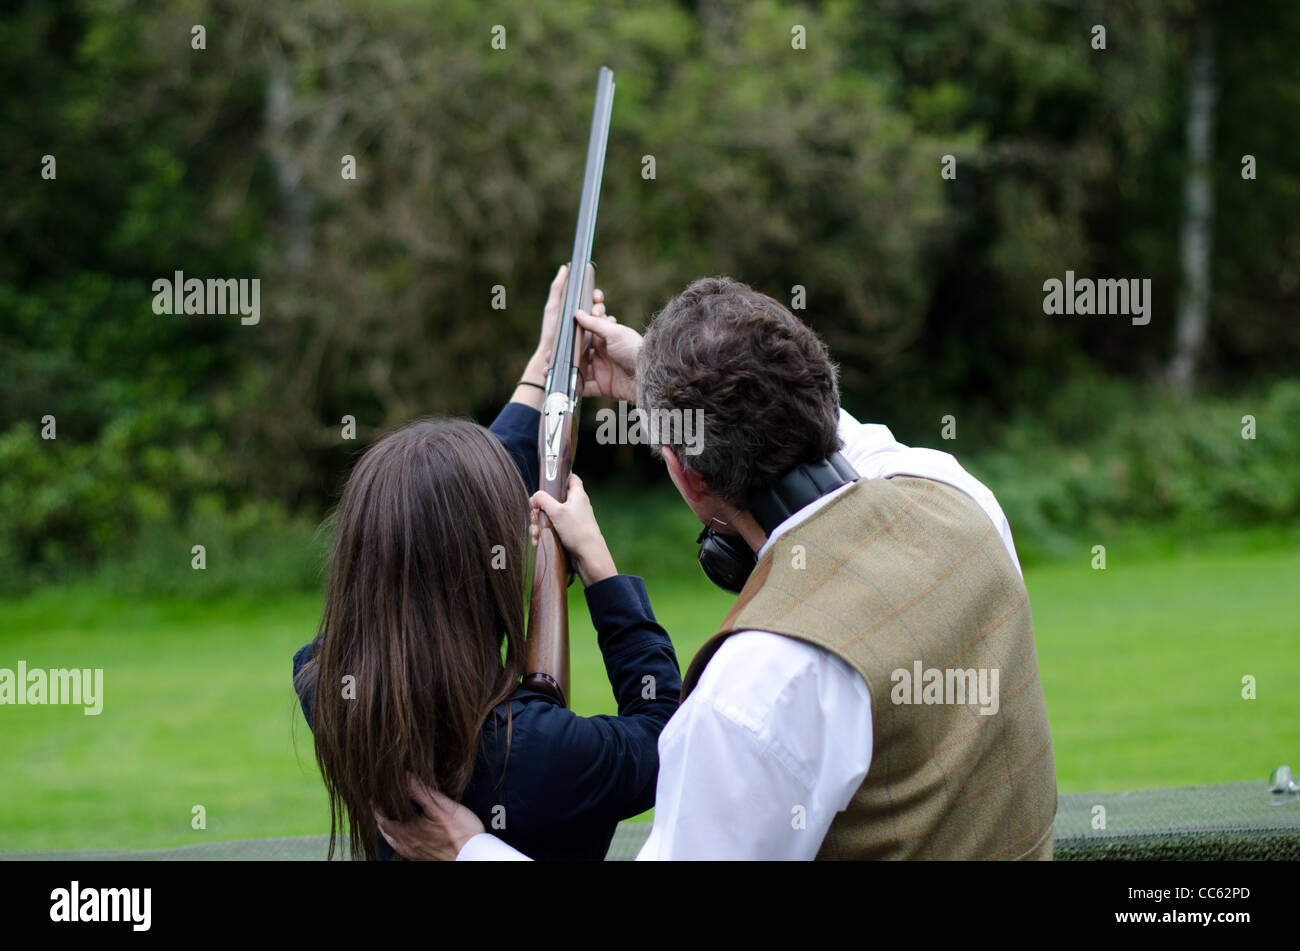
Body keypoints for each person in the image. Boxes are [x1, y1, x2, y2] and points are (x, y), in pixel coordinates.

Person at [379, 276, 1057, 861]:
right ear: (819, 382)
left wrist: (472, 849)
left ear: (683, 472)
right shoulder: (954, 492)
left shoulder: (757, 688)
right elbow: (819, 427)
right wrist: (663, 382)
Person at [291, 265, 681, 861]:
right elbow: (667, 736)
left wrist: (543, 369)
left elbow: (433, 513)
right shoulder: (549, 749)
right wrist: (600, 568)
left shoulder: (325, 685)